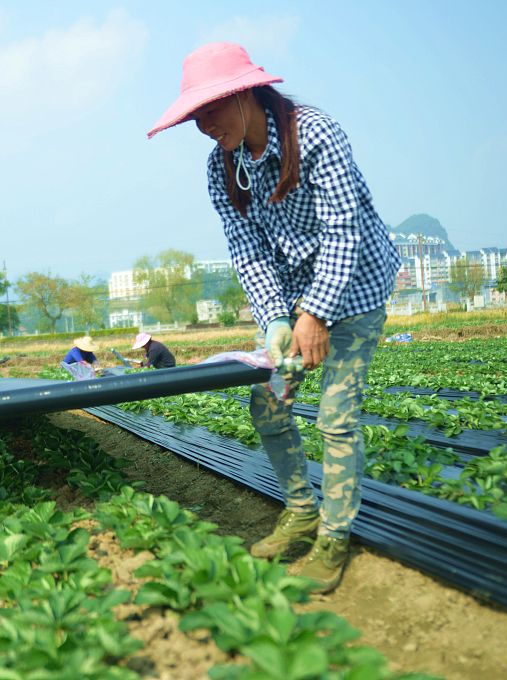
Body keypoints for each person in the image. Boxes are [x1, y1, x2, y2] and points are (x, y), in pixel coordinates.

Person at [148, 43, 400, 593]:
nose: (203, 126)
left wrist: (315, 313)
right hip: (294, 301)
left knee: (335, 417)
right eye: (195, 116)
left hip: (355, 291)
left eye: (210, 111)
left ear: (243, 94)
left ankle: (334, 537)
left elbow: (343, 230)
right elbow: (248, 250)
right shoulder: (223, 168)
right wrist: (275, 320)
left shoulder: (314, 135)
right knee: (266, 401)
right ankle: (301, 508)